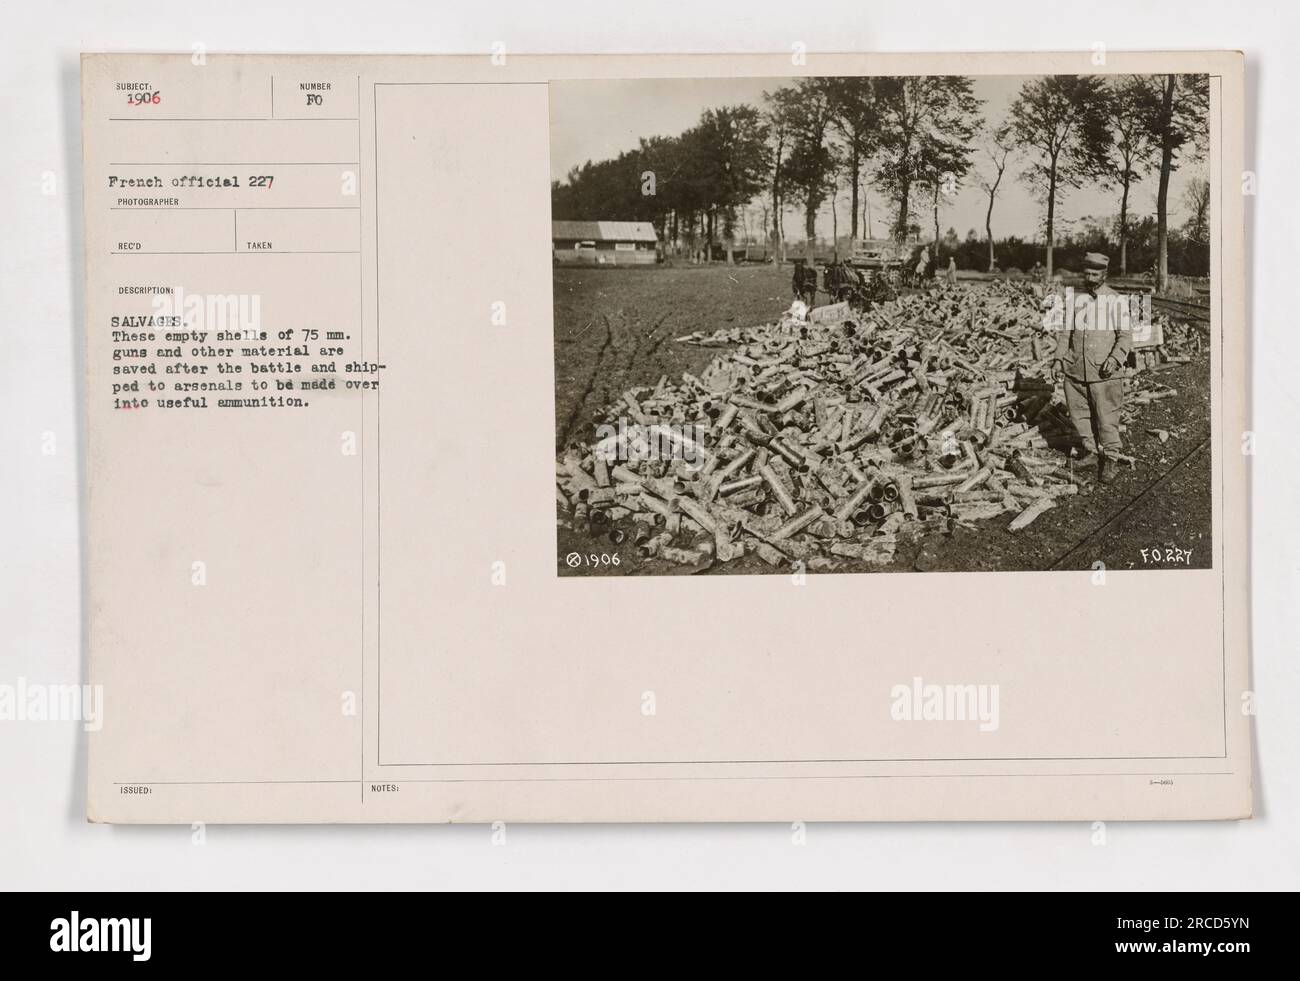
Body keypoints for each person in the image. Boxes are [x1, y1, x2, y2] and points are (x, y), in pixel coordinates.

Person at [1051, 252, 1132, 484]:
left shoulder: (1116, 300)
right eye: (1087, 273)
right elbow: (1066, 332)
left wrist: (1115, 359)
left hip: (1104, 373)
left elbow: (1125, 336)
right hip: (1075, 369)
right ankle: (1091, 453)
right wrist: (1058, 360)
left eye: (1095, 273)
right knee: (1080, 416)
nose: (1090, 277)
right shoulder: (1075, 299)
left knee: (1107, 418)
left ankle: (1112, 458)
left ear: (1104, 274)